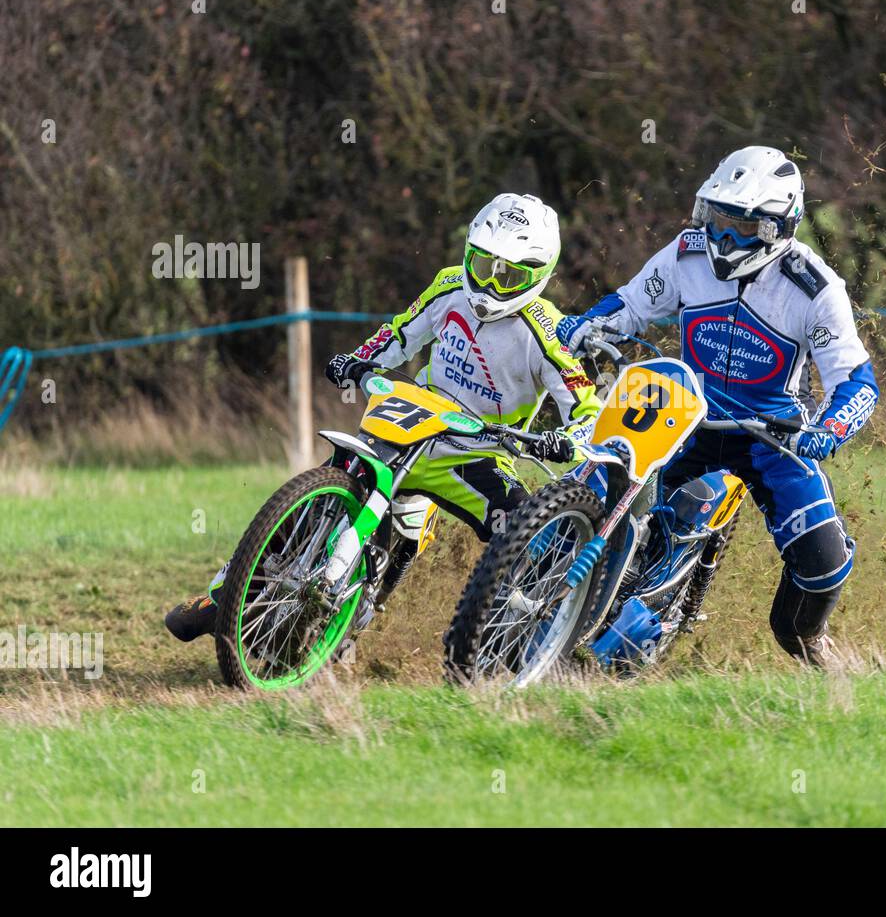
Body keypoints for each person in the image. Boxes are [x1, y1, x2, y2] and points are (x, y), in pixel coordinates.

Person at [166, 193, 600, 642]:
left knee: (529, 533)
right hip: (413, 419)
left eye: (508, 276)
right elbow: (399, 333)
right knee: (319, 497)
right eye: (482, 264)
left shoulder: (549, 332)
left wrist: (566, 439)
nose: (489, 284)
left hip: (479, 452)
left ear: (539, 276)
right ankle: (224, 592)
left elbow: (588, 412)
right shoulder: (450, 285)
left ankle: (536, 631)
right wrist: (356, 360)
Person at [557, 147, 878, 666]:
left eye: (743, 228)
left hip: (770, 432)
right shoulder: (686, 253)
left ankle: (810, 640)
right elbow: (633, 303)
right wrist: (586, 325)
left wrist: (830, 429)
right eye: (718, 219)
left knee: (823, 562)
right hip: (684, 407)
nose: (724, 238)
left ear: (780, 228)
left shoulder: (816, 289)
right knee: (596, 483)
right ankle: (536, 579)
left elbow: (857, 381)